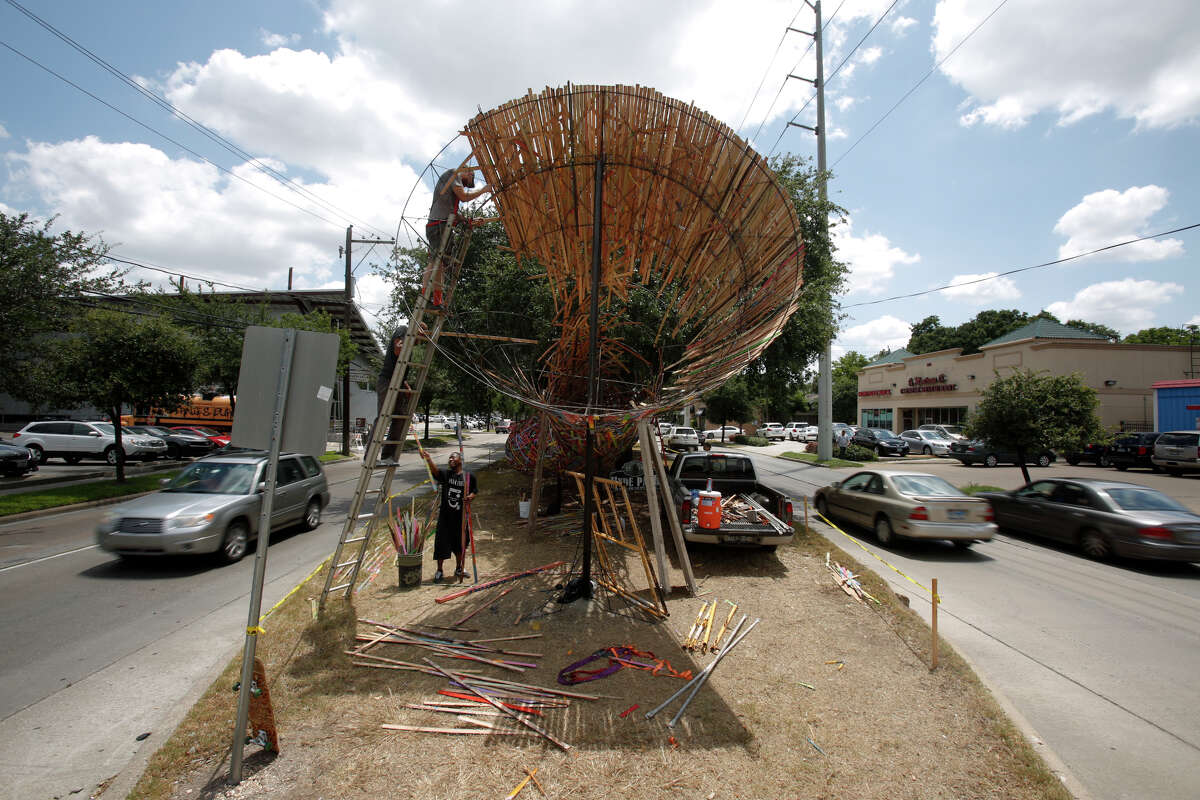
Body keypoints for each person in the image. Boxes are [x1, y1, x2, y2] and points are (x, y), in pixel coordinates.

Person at [425, 167, 491, 308]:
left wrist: (468, 220)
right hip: (438, 225)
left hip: (442, 225)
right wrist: (484, 190)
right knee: (435, 261)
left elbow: (454, 213)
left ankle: (436, 301)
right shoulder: (453, 174)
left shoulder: (451, 187)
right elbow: (464, 197)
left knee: (440, 263)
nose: (465, 187)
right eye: (468, 182)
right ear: (469, 172)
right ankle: (425, 298)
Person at [420, 449, 477, 582]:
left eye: (453, 457)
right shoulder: (446, 475)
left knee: (460, 544)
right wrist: (428, 459)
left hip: (460, 518)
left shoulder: (469, 477)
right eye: (449, 458)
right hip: (445, 517)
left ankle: (459, 568)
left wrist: (470, 497)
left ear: (460, 460)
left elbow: (475, 491)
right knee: (441, 544)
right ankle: (439, 571)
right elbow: (435, 472)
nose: (451, 460)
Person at [373, 327, 413, 465]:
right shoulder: (403, 331)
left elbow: (401, 370)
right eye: (422, 333)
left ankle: (387, 456)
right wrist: (405, 344)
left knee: (400, 418)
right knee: (383, 417)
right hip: (387, 381)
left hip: (398, 383)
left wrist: (406, 386)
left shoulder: (410, 345)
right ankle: (370, 456)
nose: (422, 339)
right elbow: (397, 350)